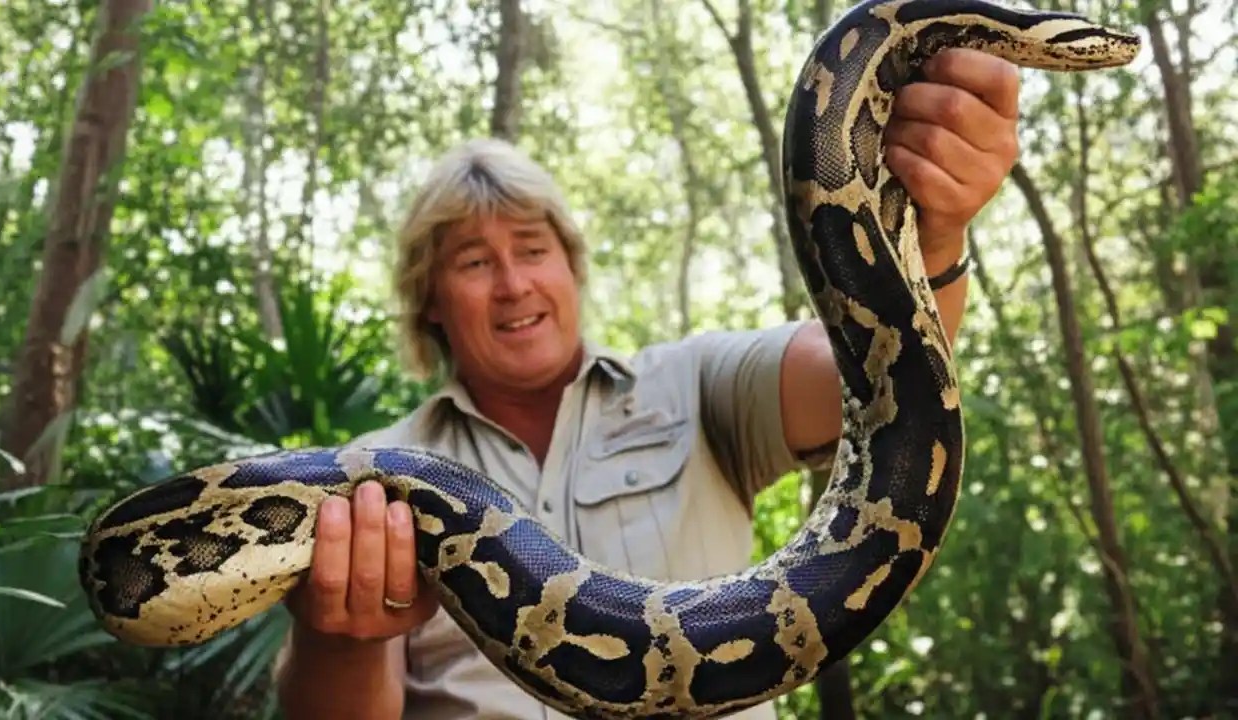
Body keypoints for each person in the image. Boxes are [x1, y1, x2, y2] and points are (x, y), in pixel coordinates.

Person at [273, 47, 1021, 719]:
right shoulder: (368, 478)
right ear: (429, 298)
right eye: (473, 262)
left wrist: (931, 236)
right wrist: (339, 639)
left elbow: (872, 378)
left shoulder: (693, 382)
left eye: (532, 249)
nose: (511, 284)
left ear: (569, 264)